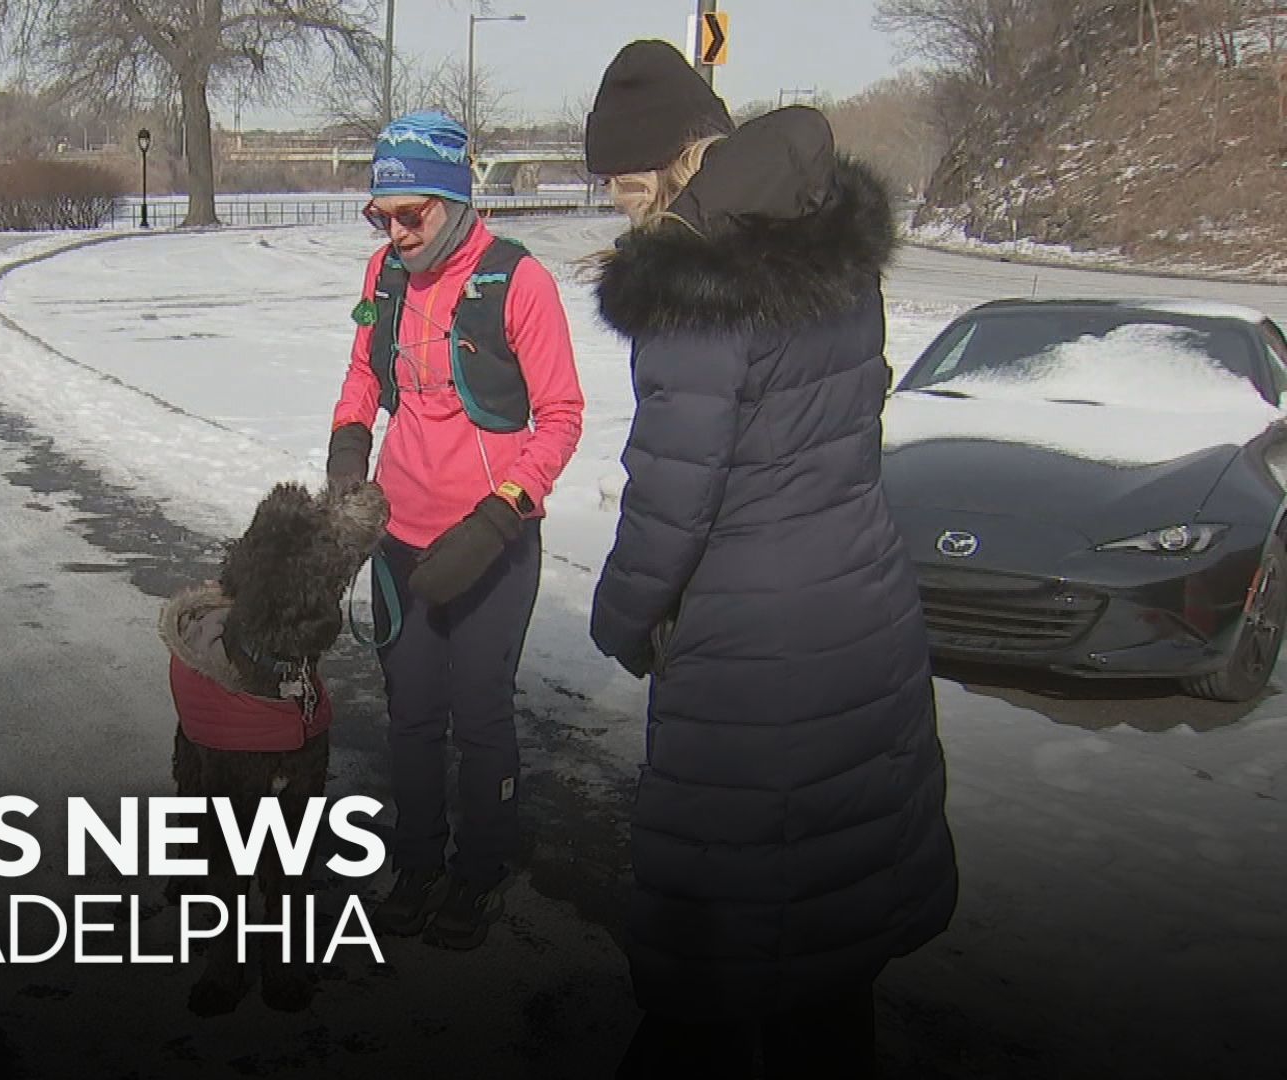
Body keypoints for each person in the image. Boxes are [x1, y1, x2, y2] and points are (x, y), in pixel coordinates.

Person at [581, 40, 959, 1075]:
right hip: (864, 604)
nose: (622, 211)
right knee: (834, 949)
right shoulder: (826, 243)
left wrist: (619, 619)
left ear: (673, 167)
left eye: (625, 188)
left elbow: (671, 498)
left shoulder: (694, 284)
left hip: (754, 649)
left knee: (711, 955)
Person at [326, 110, 584, 951]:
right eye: (381, 215)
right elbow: (364, 373)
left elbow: (561, 417)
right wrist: (347, 448)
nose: (395, 232)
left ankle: (480, 867)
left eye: (412, 214)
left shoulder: (519, 282)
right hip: (402, 534)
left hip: (489, 542)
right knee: (409, 714)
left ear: (455, 200)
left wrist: (501, 515)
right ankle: (418, 863)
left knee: (478, 716)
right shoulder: (385, 276)